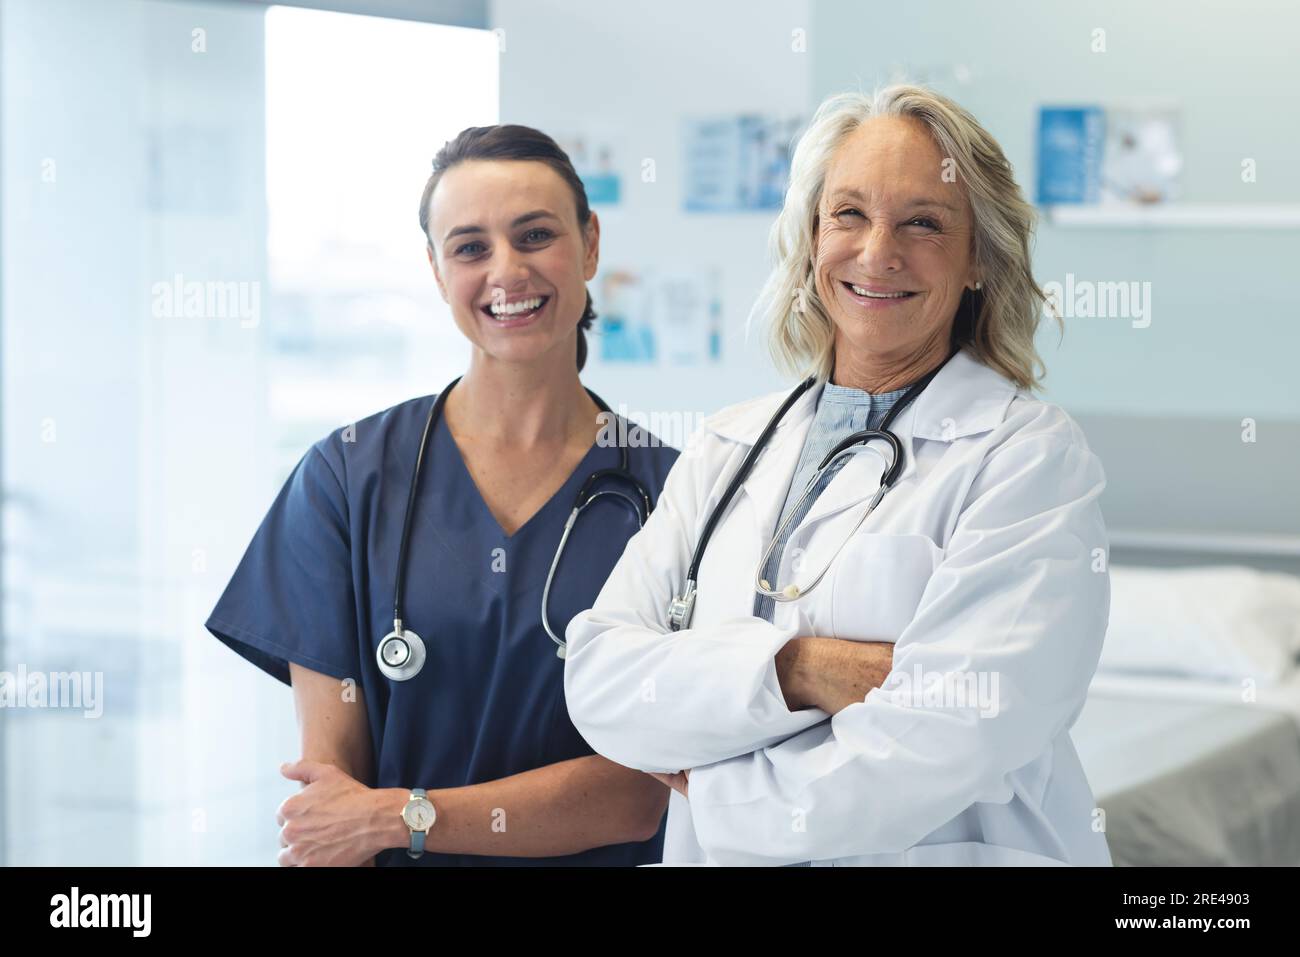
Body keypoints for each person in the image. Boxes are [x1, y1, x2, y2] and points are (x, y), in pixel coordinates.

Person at [564, 85, 1113, 867]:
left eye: (924, 221)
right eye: (849, 213)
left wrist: (717, 785)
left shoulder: (1027, 459)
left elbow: (953, 730)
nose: (877, 250)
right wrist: (799, 668)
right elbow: (599, 679)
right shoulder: (729, 443)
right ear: (811, 237)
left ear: (978, 261)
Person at [205, 124, 677, 866]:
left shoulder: (673, 490)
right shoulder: (346, 479)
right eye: (470, 247)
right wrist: (368, 820)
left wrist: (400, 816)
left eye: (535, 235)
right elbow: (333, 798)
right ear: (434, 268)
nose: (507, 271)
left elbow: (637, 792)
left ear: (589, 245)